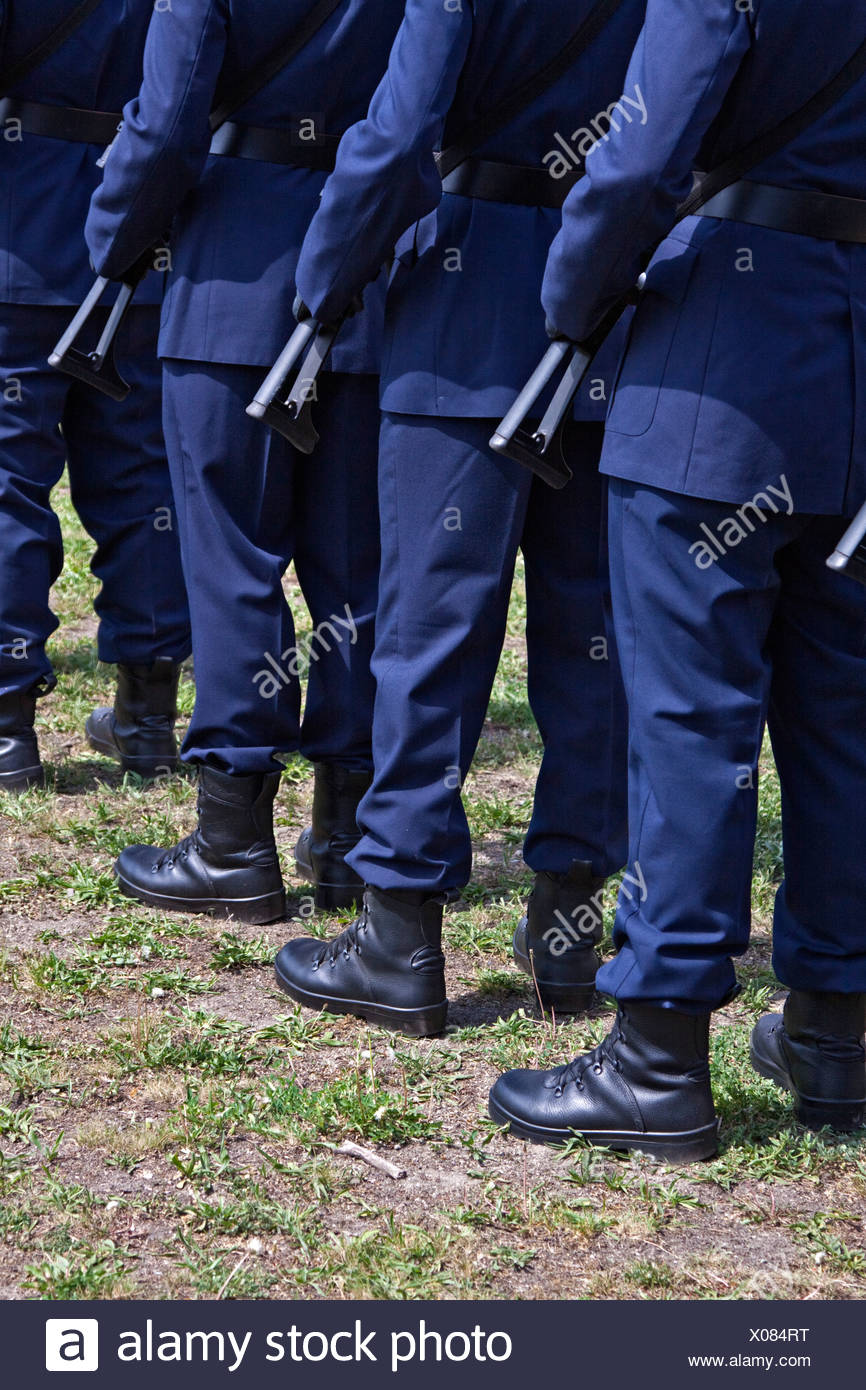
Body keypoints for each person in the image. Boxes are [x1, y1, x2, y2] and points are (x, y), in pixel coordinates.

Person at [489, 0, 866, 1159]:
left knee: (687, 722)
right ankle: (831, 1035)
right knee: (843, 726)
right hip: (849, 371)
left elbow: (638, 153)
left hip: (715, 370)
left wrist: (566, 305)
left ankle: (655, 1055)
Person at [275, 0, 648, 1035]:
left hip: (464, 313)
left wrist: (320, 290)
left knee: (430, 636)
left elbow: (395, 140)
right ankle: (567, 926)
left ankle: (399, 933)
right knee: (592, 641)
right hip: (609, 320)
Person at [84, 0, 407, 924]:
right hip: (369, 282)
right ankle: (345, 836)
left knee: (232, 566)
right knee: (355, 582)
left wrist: (112, 243)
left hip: (233, 274)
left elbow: (164, 126)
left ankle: (232, 840)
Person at [0, 0, 191, 791]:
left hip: (20, 233)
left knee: (8, 482)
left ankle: (8, 728)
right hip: (143, 240)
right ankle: (147, 721)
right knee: (143, 482)